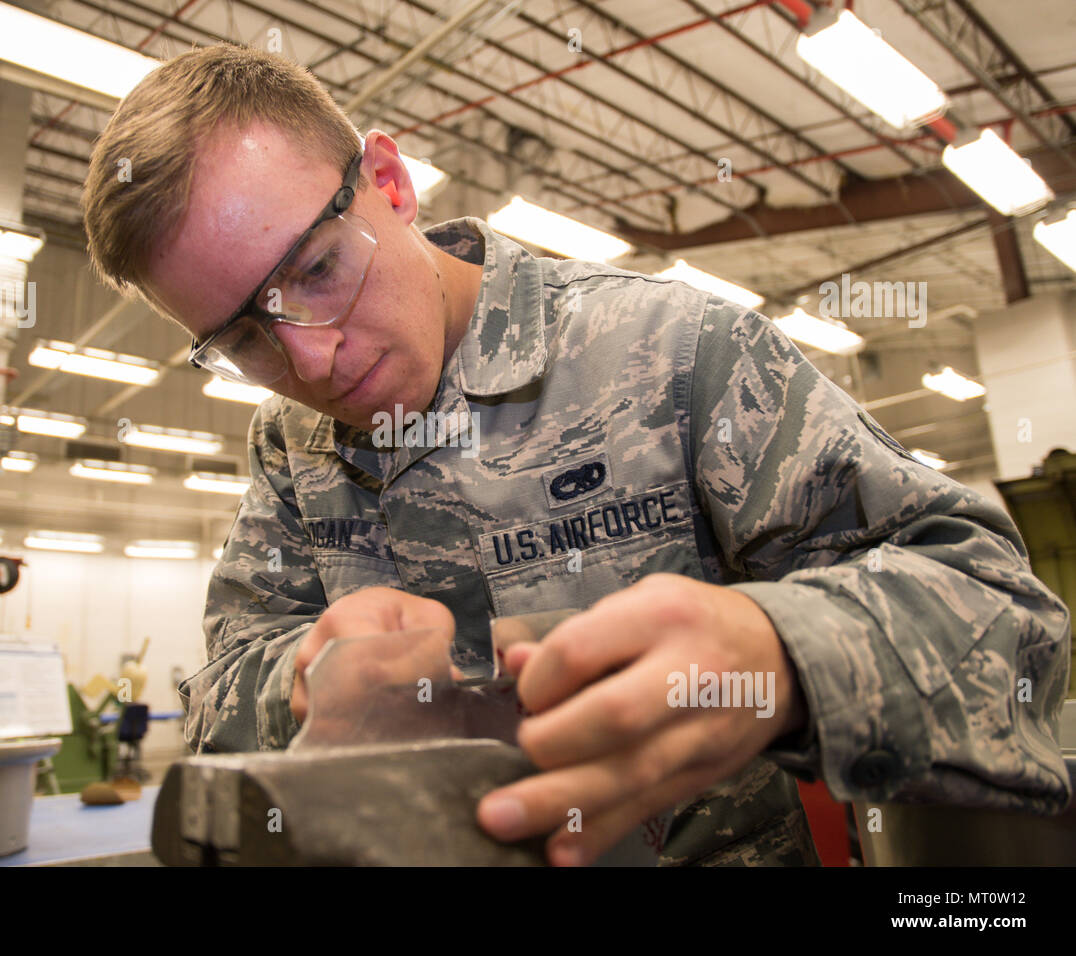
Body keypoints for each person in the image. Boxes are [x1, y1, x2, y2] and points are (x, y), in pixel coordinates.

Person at [81, 44, 1072, 866]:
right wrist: (302, 676)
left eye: (317, 269)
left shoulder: (669, 353)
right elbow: (213, 695)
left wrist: (777, 654)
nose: (309, 356)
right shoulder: (290, 445)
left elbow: (1000, 612)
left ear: (389, 182)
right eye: (243, 337)